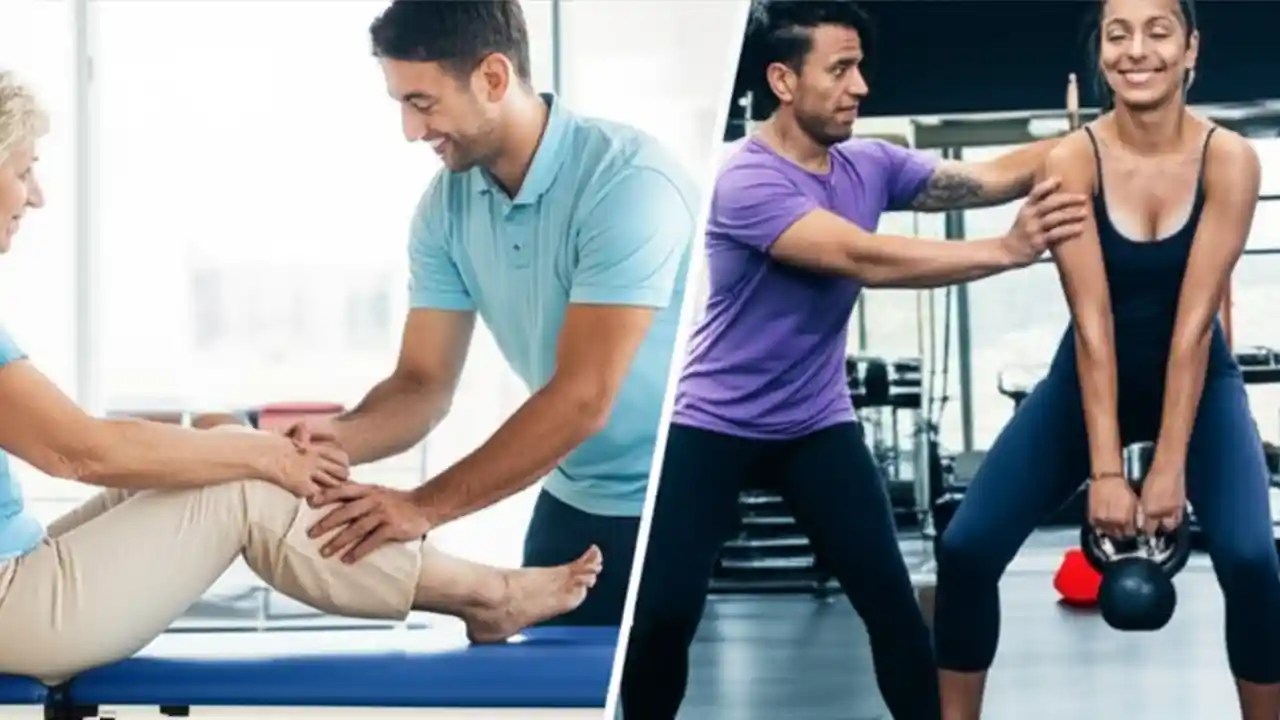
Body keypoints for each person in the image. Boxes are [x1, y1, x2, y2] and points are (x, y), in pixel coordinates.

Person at [0, 69, 602, 685]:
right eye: (24, 172)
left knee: (229, 455)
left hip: (17, 569)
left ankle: (478, 588)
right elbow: (77, 452)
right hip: (8, 604)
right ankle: (488, 596)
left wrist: (250, 448)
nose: (36, 196)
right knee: (245, 487)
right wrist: (270, 458)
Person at [619, 1, 1089, 718]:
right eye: (840, 70)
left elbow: (987, 177)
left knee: (894, 610)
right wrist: (1005, 249)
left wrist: (1088, 143)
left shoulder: (870, 164)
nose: (860, 86)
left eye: (860, 68)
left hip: (815, 423)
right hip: (712, 423)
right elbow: (862, 256)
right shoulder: (744, 179)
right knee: (662, 616)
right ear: (783, 81)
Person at [285, 0, 696, 628]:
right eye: (402, 104)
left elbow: (585, 397)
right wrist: (325, 445)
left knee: (649, 675)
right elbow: (422, 384)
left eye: (422, 103)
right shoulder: (446, 208)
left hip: (669, 494)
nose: (411, 130)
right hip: (574, 495)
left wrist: (421, 507)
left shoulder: (629, 183)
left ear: (493, 78)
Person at [932, 0, 1280, 718]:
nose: (1136, 50)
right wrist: (1106, 472)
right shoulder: (1072, 158)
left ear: (1191, 49)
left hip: (1200, 380)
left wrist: (1169, 465)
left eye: (1158, 31)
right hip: (1086, 378)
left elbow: (1193, 328)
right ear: (1100, 53)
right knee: (966, 548)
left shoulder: (1230, 159)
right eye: (1117, 34)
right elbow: (1093, 326)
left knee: (1252, 559)